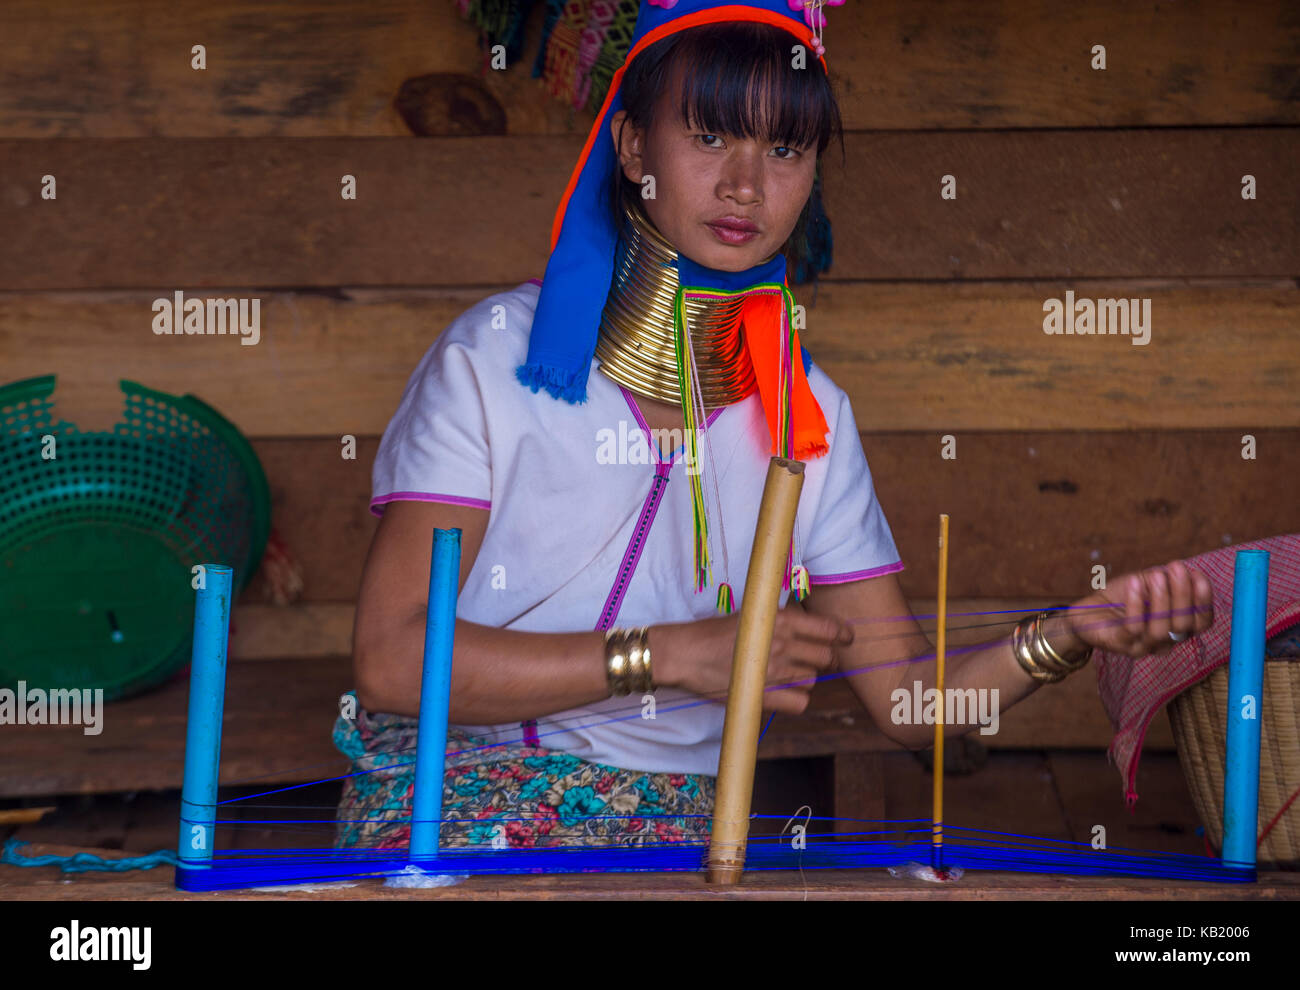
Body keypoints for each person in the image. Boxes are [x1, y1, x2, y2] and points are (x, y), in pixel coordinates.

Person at [333, 0, 1215, 852]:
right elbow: (389, 659)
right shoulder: (491, 360)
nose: (746, 184)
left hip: (669, 842)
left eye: (785, 148)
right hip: (442, 809)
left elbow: (913, 706)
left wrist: (1067, 634)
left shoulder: (808, 418)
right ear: (633, 141)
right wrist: (667, 656)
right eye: (709, 135)